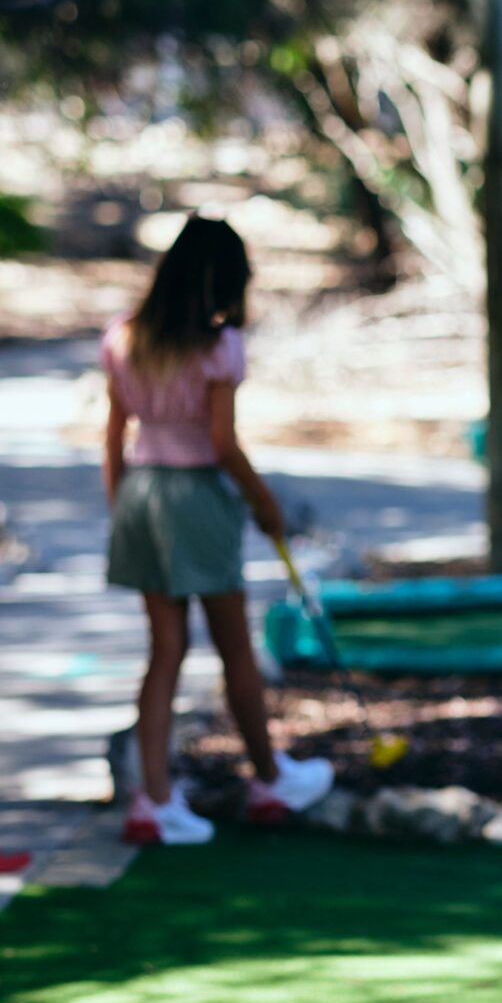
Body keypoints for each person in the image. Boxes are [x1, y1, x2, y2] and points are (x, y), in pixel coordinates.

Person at [102, 214, 332, 841]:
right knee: (234, 646)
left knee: (165, 650)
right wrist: (265, 501)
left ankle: (152, 799)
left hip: (141, 493)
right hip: (197, 495)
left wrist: (120, 504)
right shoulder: (219, 346)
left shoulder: (125, 336)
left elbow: (114, 433)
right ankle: (269, 778)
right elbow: (222, 443)